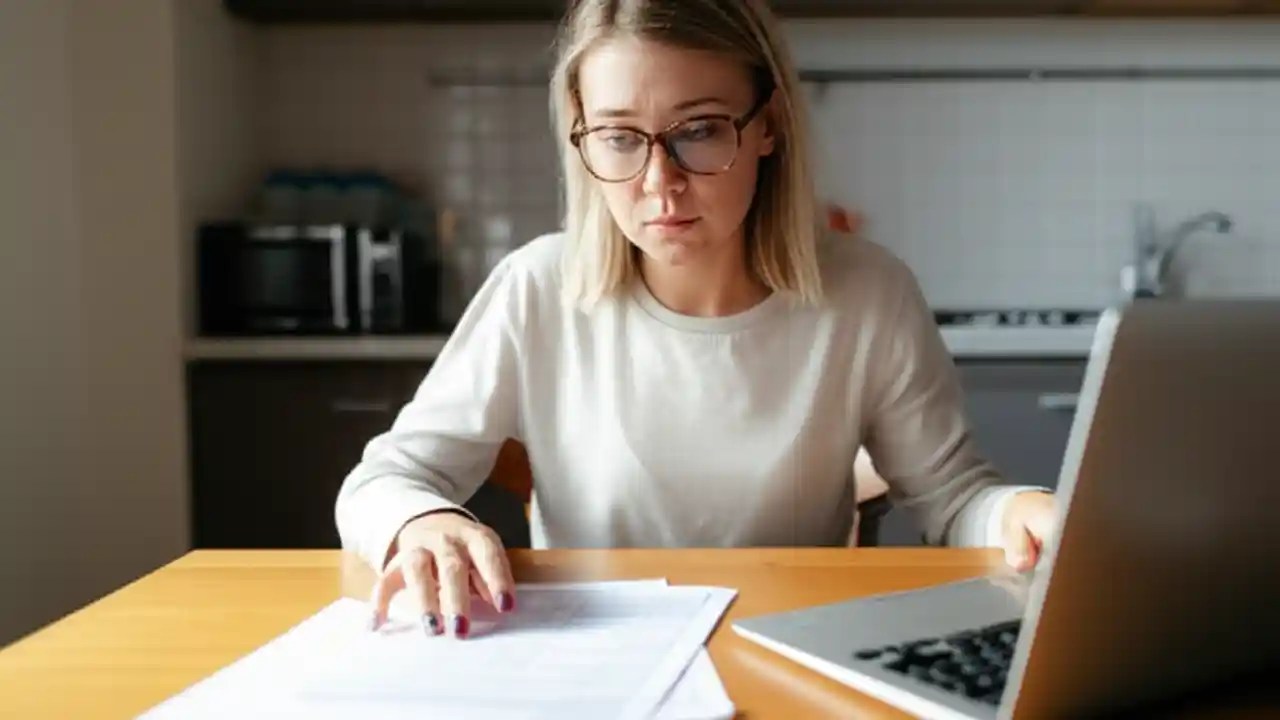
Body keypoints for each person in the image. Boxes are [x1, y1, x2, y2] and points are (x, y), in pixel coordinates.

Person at [336, 0, 1057, 640]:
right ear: (582, 139)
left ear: (768, 125)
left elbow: (954, 497)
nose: (659, 183)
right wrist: (420, 522)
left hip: (788, 650)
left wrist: (1020, 511)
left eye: (701, 131)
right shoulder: (537, 288)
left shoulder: (868, 293)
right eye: (620, 137)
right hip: (592, 664)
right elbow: (383, 480)